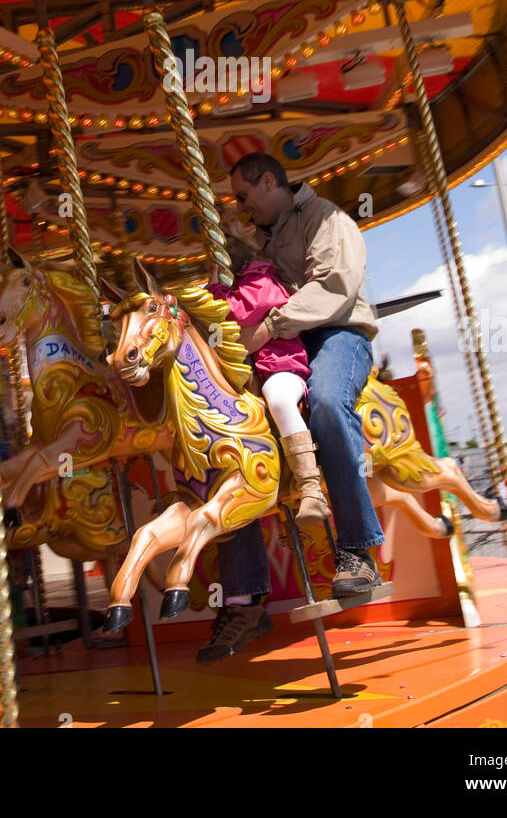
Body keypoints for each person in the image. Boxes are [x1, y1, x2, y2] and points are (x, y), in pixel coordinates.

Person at [197, 152, 383, 665]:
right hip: (287, 344)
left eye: (242, 195)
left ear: (266, 181)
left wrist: (274, 323)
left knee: (325, 402)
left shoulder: (328, 219)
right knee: (228, 434)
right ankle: (246, 597)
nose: (242, 205)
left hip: (338, 332)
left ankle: (357, 549)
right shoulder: (268, 235)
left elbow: (335, 288)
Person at [208, 224, 329, 524]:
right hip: (259, 370)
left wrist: (215, 286)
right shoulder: (243, 284)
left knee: (278, 400)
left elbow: (233, 315)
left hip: (283, 365)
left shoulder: (261, 279)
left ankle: (311, 488)